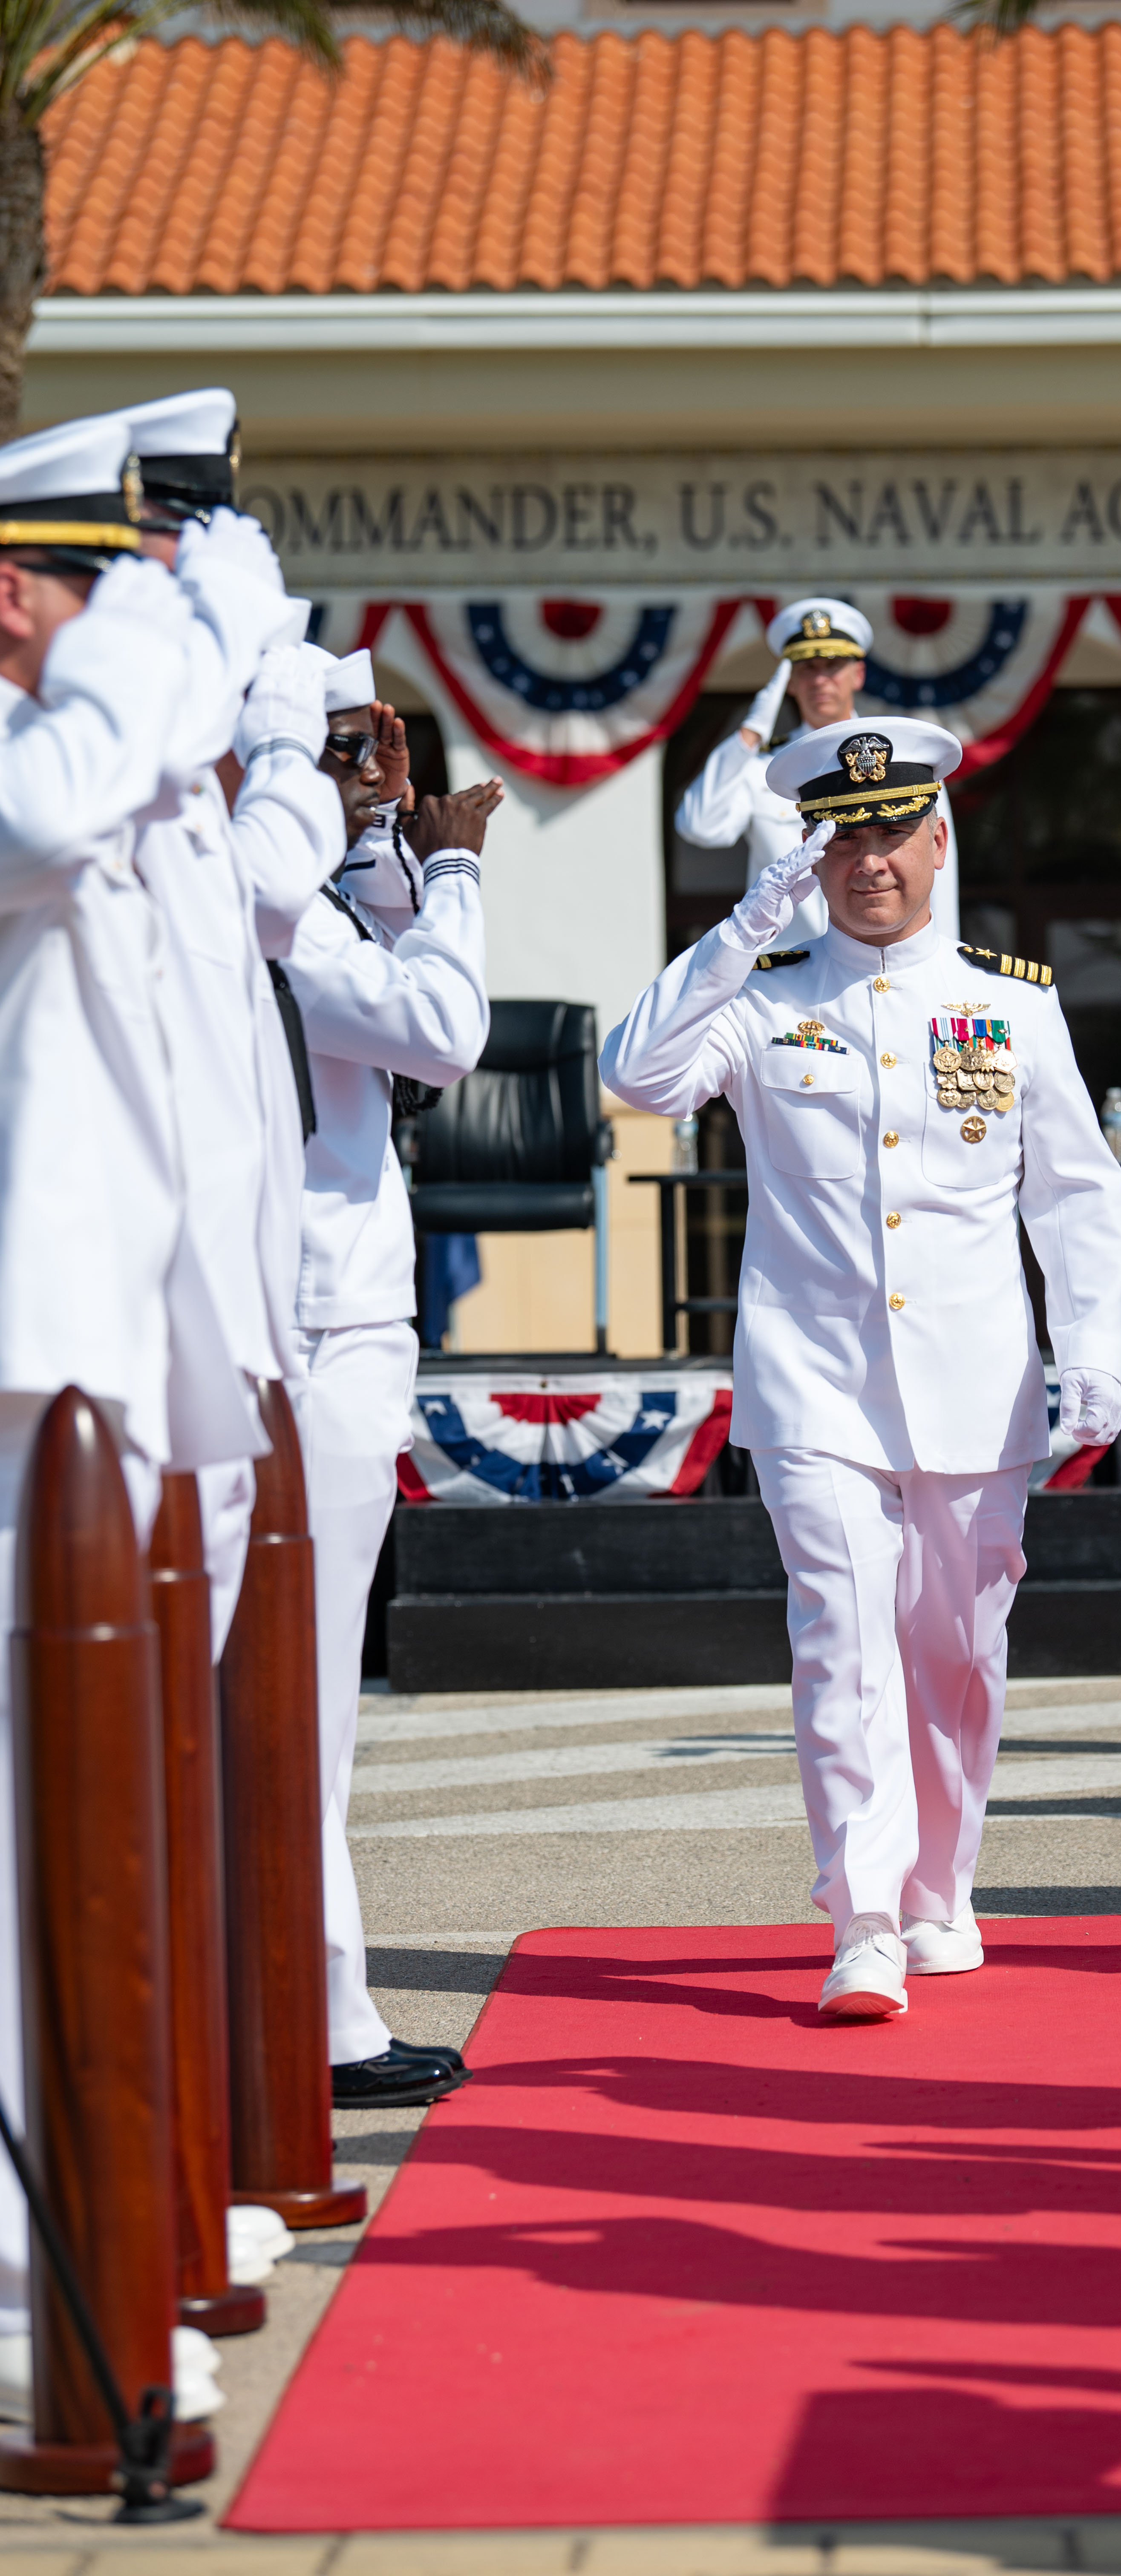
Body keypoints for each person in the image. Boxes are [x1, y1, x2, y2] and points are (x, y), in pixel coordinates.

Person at [602, 717, 1121, 2020]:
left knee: (956, 1657)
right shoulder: (765, 995)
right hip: (813, 1381)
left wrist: (1093, 1354)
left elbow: (1074, 1192)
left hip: (977, 1385)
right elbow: (639, 1075)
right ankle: (867, 1918)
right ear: (814, 856)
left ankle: (941, 1891)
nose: (870, 860)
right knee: (841, 1640)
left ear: (939, 841)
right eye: (843, 839)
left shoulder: (1013, 1004)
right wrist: (743, 925)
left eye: (893, 832)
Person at [0, 415, 264, 2387]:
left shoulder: (95, 740)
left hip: (102, 1355)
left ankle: (97, 2239)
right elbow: (59, 809)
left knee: (95, 1816)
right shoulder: (60, 752)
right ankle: (50, 2277)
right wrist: (149, 645)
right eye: (104, 589)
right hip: (33, 1355)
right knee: (38, 1829)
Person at [282, 648, 496, 2106]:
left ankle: (320, 2001)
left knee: (306, 1695)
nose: (373, 771)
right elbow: (440, 1032)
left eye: (374, 745)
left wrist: (384, 842)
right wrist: (458, 872)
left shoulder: (309, 895)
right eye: (343, 750)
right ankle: (314, 2017)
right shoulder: (269, 909)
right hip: (308, 1318)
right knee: (301, 1694)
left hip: (328, 1306)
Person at [115, 387, 343, 1650]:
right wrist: (287, 748)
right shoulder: (110, 756)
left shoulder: (174, 770)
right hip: (142, 1273)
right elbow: (276, 888)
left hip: (221, 1278)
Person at [674, 597, 961, 943]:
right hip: (791, 963)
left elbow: (937, 872)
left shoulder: (905, 758)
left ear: (859, 675)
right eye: (807, 668)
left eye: (833, 665)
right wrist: (750, 734)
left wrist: (941, 959)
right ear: (790, 681)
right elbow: (700, 826)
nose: (820, 680)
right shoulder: (765, 767)